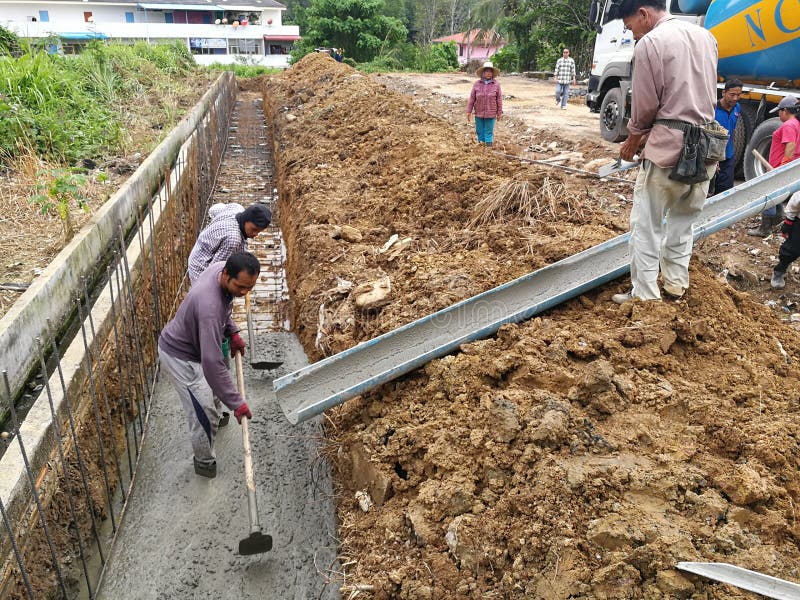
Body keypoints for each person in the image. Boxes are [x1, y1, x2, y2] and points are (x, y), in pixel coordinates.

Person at [610, 0, 718, 304]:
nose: (633, 35)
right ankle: (674, 286)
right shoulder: (705, 36)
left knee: (647, 224)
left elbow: (645, 107)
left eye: (631, 27)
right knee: (684, 223)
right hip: (707, 145)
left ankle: (646, 297)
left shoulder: (650, 44)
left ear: (643, 14)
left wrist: (633, 141)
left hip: (669, 147)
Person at [158, 252, 259, 478]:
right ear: (226, 275)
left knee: (214, 395)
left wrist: (232, 331)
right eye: (241, 287)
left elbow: (226, 307)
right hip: (180, 357)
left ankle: (219, 417)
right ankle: (204, 464)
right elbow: (212, 364)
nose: (244, 293)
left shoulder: (222, 268)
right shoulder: (209, 308)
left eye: (249, 288)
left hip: (196, 344)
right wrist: (237, 403)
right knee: (204, 415)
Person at [747, 95, 800, 237]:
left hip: (780, 167)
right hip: (786, 166)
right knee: (777, 193)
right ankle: (778, 217)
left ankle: (765, 228)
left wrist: (783, 165)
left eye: (779, 111)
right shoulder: (796, 123)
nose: (778, 114)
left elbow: (791, 145)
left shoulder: (789, 125)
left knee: (769, 194)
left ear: (785, 111)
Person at [188, 202, 271, 284]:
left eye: (259, 231)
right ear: (246, 219)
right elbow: (216, 271)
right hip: (200, 266)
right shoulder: (233, 240)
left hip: (201, 246)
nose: (255, 234)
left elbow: (213, 209)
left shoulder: (237, 208)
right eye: (254, 229)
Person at [712, 79, 743, 195]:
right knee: (708, 193)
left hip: (728, 156)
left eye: (738, 95)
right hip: (712, 157)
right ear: (723, 93)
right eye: (732, 95)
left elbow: (732, 130)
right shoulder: (712, 110)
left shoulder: (737, 107)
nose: (735, 98)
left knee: (726, 192)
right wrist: (713, 160)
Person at [467, 61, 503, 147]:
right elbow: (472, 98)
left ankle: (488, 150)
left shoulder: (496, 84)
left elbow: (499, 99)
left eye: (490, 71)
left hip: (491, 113)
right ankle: (481, 149)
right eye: (487, 71)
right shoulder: (476, 84)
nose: (488, 73)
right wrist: (469, 111)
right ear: (483, 72)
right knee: (480, 132)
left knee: (488, 132)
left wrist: (499, 113)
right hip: (479, 112)